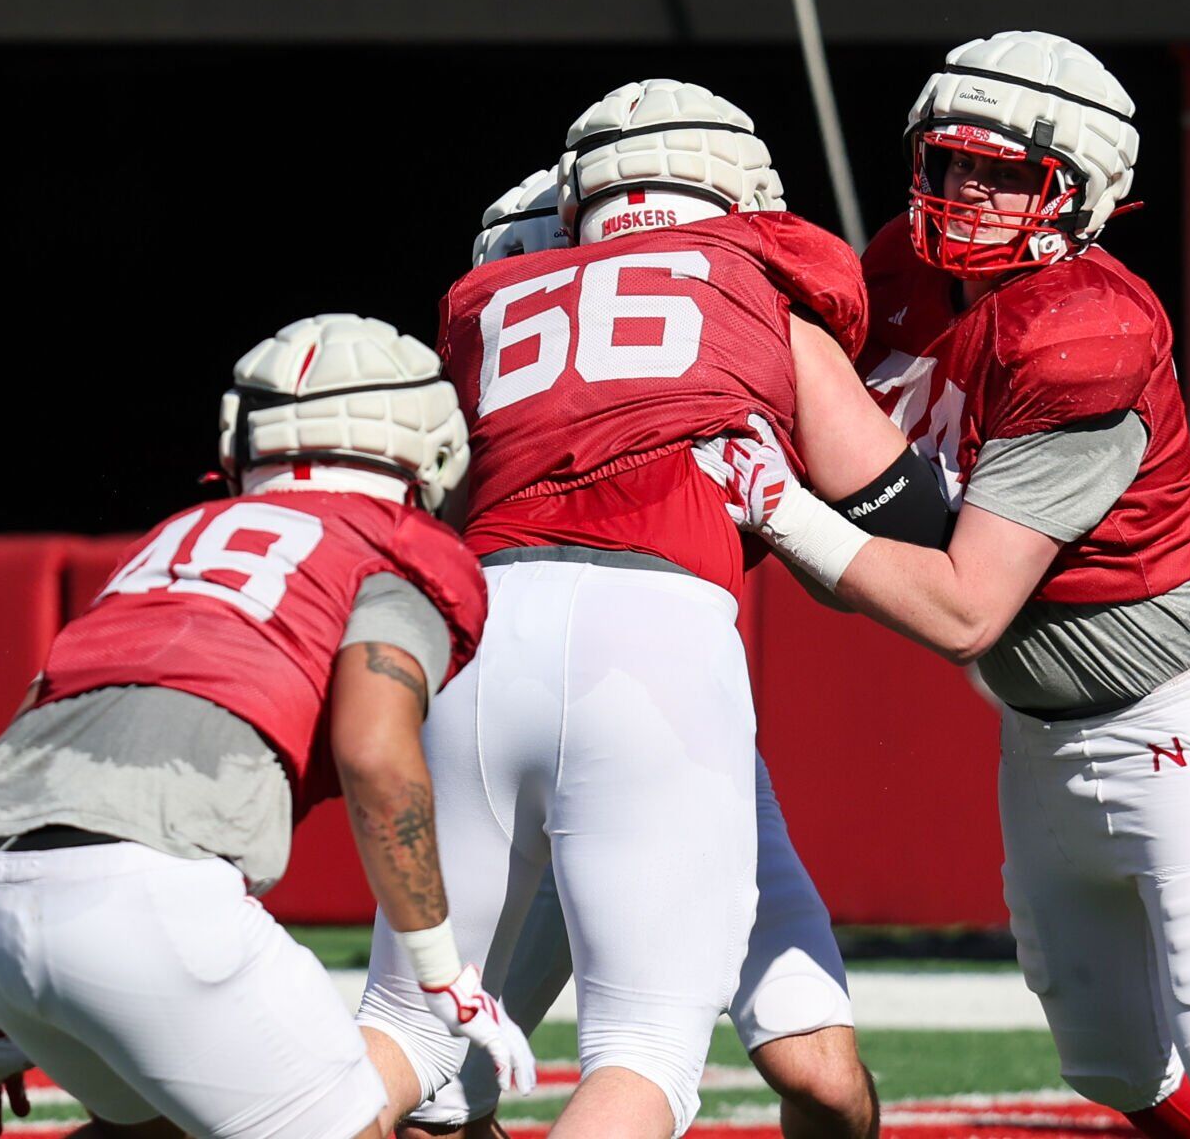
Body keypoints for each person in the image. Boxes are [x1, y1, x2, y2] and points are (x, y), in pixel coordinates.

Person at [717, 31, 1190, 1139]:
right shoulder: (903, 270)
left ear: (1083, 192)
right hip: (1039, 727)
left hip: (1180, 723)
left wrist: (774, 505)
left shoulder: (1083, 328)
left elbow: (965, 607)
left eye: (1006, 172)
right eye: (953, 161)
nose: (968, 192)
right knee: (1110, 1066)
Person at [354, 79, 941, 1139]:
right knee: (644, 1061)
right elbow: (905, 521)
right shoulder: (750, 277)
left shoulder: (483, 305)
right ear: (740, 193)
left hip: (481, 642)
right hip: (653, 662)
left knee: (406, 1030)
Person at [0, 314, 534, 1139]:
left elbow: (37, 756)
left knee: (157, 1130)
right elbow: (374, 754)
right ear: (432, 445)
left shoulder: (174, 540)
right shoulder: (396, 551)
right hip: (139, 891)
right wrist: (441, 974)